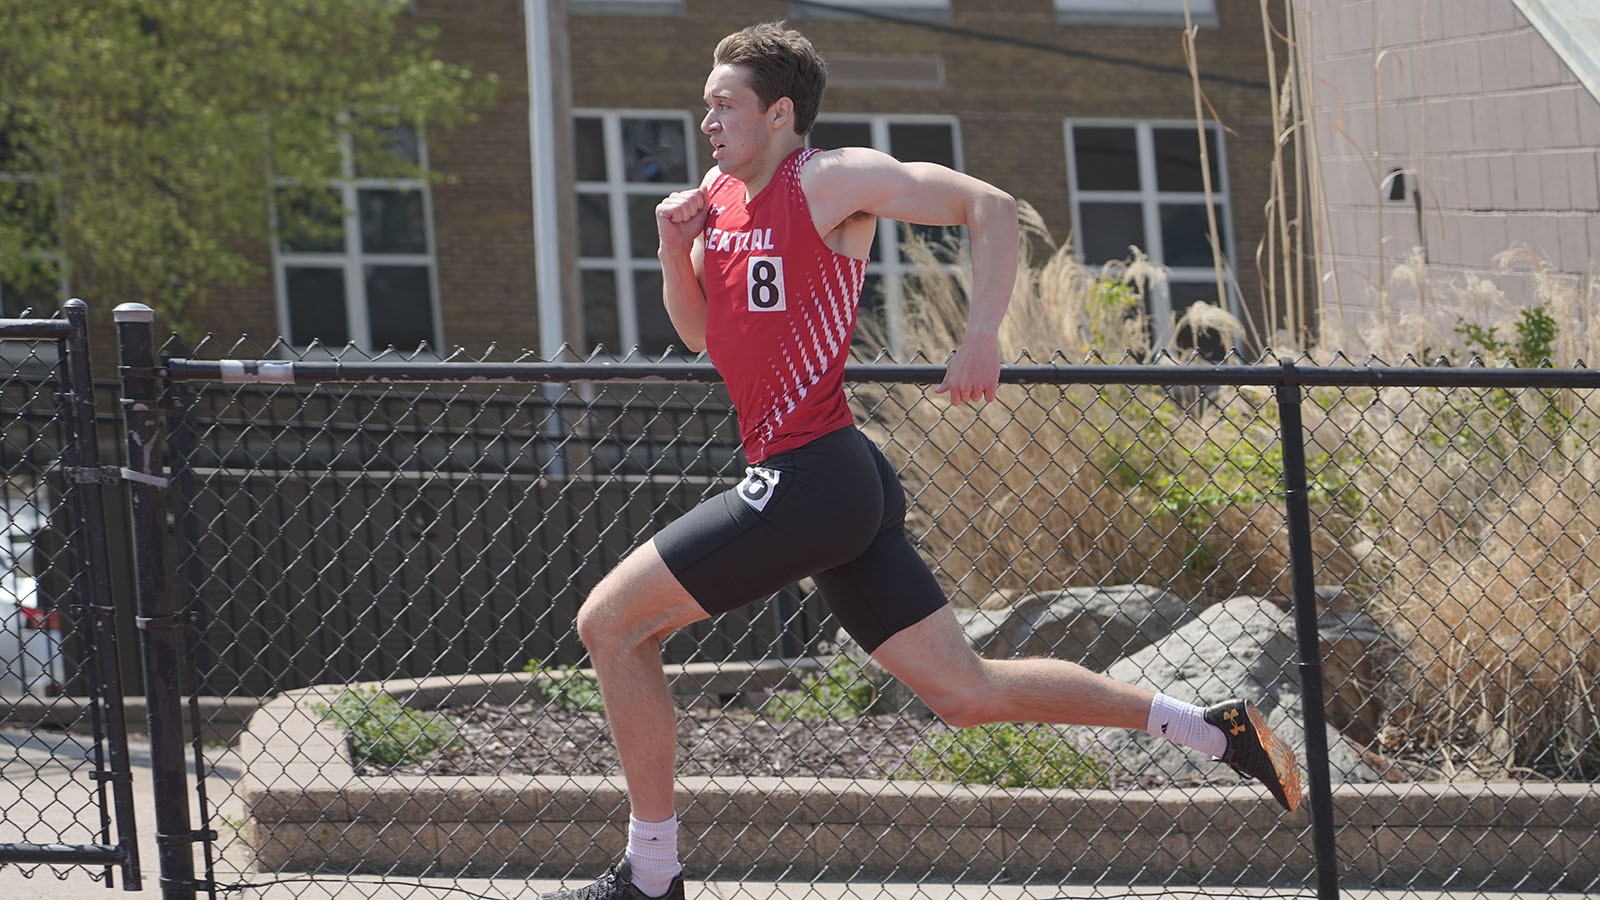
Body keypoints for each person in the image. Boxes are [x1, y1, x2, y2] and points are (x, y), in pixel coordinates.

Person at [541, 21, 1301, 900]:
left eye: (724, 104)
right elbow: (707, 335)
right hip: (830, 481)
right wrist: (676, 251)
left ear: (780, 113)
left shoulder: (827, 180)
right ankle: (1216, 730)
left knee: (610, 624)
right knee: (967, 692)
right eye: (706, 103)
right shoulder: (719, 195)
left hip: (810, 479)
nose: (706, 119)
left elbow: (991, 205)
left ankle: (652, 874)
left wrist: (982, 337)